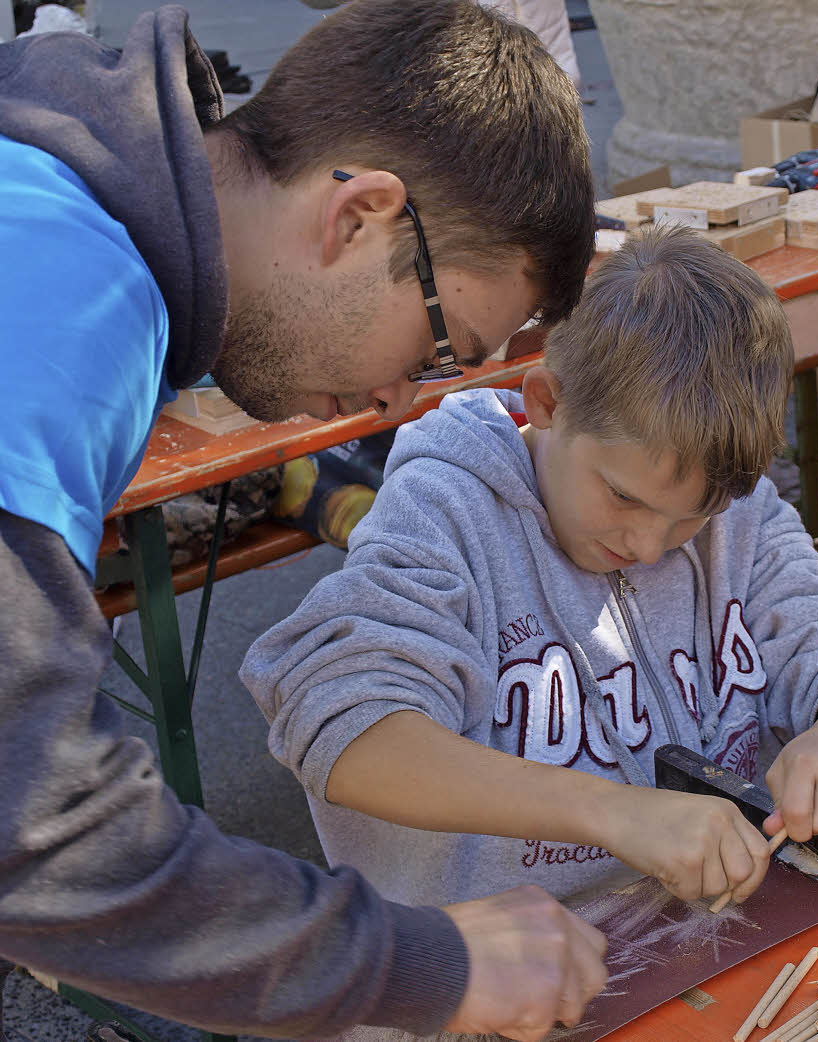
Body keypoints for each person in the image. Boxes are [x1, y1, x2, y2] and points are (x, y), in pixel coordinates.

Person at [0, 1, 606, 1039]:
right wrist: (419, 964)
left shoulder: (63, 193)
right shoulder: (67, 287)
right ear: (360, 215)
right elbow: (29, 812)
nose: (396, 405)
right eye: (435, 345)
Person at [241, 227, 818, 1039]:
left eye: (688, 522)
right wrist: (614, 813)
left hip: (699, 948)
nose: (647, 545)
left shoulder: (733, 514)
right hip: (494, 996)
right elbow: (342, 728)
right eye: (624, 498)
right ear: (547, 403)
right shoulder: (448, 514)